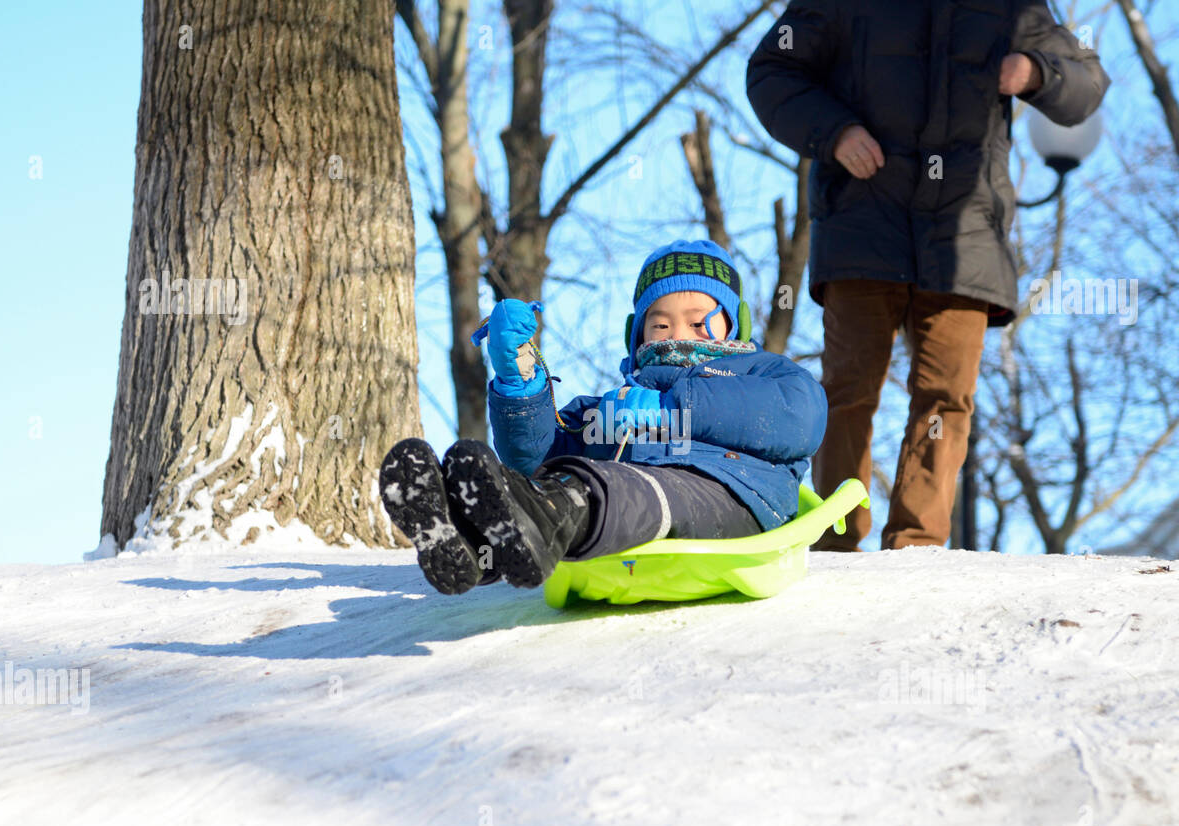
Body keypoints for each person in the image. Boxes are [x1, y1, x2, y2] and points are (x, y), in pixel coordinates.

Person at [745, 0, 1109, 551]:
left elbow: (1087, 79)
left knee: (947, 394)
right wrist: (836, 133)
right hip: (862, 218)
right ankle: (837, 540)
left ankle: (918, 544)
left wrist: (1036, 72)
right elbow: (772, 70)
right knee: (848, 389)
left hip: (965, 235)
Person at [380, 239, 827, 594]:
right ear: (637, 333)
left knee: (621, 488)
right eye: (661, 323)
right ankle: (470, 536)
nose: (677, 334)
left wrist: (675, 409)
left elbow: (798, 416)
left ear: (735, 325)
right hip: (621, 512)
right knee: (556, 477)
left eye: (698, 322)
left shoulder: (760, 371)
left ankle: (546, 514)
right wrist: (521, 384)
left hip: (734, 499)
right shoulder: (614, 405)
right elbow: (535, 454)